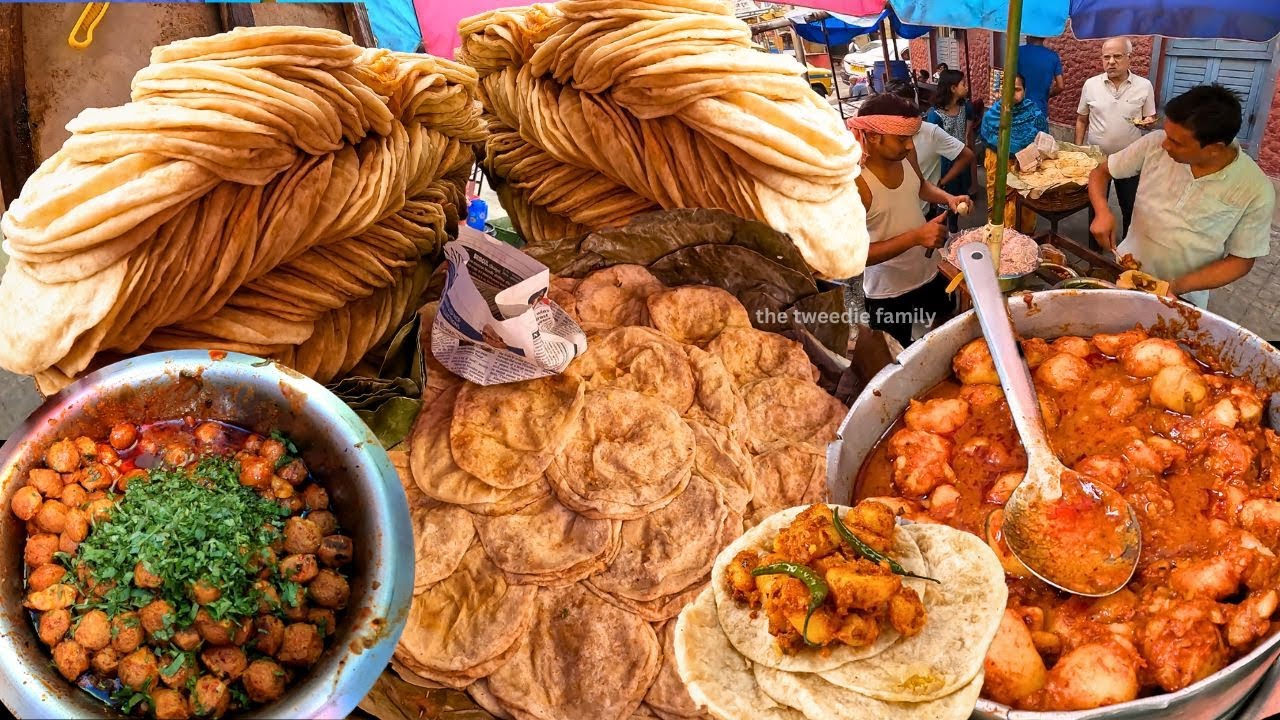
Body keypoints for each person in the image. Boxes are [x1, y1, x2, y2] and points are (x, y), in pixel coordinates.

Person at [1087, 85, 1275, 308]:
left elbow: (1241, 261)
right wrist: (1101, 211)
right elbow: (1100, 173)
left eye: (1177, 142)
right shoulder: (1154, 144)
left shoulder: (1255, 189)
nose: (1165, 144)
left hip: (1184, 294)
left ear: (1214, 148)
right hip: (1126, 267)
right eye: (1167, 135)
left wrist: (1174, 287)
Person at [846, 95, 972, 346]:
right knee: (896, 353)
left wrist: (948, 197)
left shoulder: (905, 157)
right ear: (873, 135)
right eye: (902, 139)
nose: (909, 146)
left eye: (911, 138)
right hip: (887, 291)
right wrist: (916, 237)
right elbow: (853, 257)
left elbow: (920, 186)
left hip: (929, 271)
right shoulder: (854, 183)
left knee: (946, 327)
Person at [1076, 37, 1157, 239]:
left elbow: (1151, 118)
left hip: (1130, 158)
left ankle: (1128, 249)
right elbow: (1081, 119)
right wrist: (1078, 150)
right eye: (1106, 57)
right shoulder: (1090, 85)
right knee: (1096, 207)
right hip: (1097, 160)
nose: (1111, 61)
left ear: (1129, 58)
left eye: (1117, 56)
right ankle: (1095, 253)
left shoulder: (1144, 86)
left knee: (1129, 205)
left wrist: (1148, 122)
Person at [980, 74, 1048, 234]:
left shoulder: (1034, 113)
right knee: (1000, 212)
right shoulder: (991, 116)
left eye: (1017, 89)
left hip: (1026, 170)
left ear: (1025, 91)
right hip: (999, 170)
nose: (1012, 94)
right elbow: (988, 140)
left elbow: (1042, 139)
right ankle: (1000, 244)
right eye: (1007, 90)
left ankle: (1025, 244)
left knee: (1025, 209)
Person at [926, 69, 980, 227]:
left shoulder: (966, 107)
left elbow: (968, 132)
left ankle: (953, 232)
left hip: (961, 161)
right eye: (963, 84)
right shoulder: (935, 115)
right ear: (953, 88)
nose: (967, 87)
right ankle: (940, 235)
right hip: (945, 165)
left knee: (958, 201)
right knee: (944, 203)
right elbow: (932, 147)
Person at [1017, 36, 1064, 117]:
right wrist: (1046, 95)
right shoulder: (1053, 56)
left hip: (1019, 109)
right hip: (1040, 110)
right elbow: (1060, 86)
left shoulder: (1018, 52)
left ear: (1030, 35)